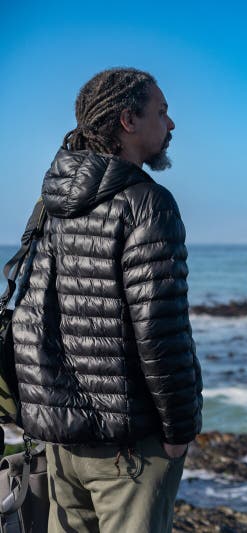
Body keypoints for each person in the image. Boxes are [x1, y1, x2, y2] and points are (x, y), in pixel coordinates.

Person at [11, 67, 203, 532]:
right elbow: (160, 328)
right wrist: (179, 431)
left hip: (60, 442)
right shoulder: (147, 203)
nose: (171, 125)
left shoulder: (52, 200)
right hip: (129, 448)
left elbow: (31, 316)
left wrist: (42, 415)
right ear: (127, 121)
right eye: (162, 112)